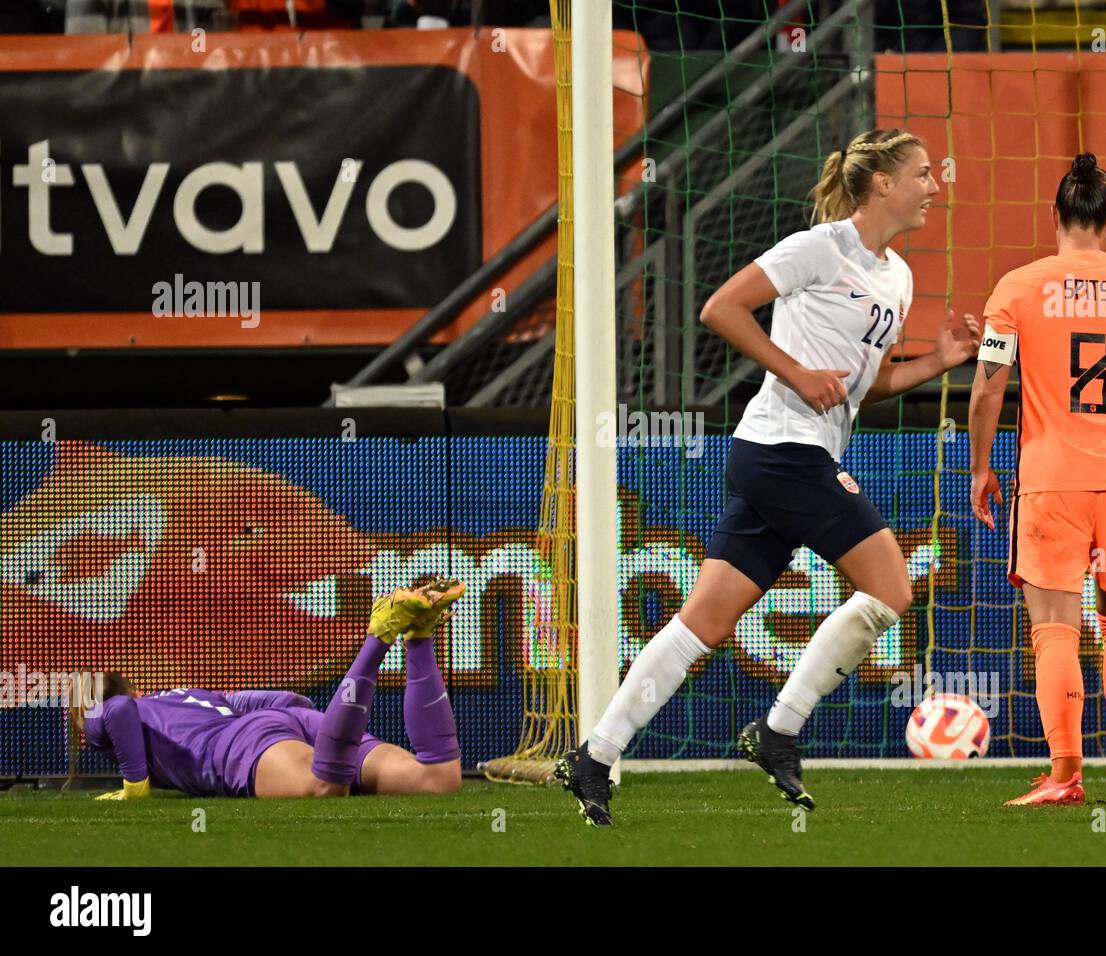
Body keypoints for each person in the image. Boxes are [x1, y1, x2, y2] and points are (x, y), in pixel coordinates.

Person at [558, 128, 981, 826]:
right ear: (881, 183)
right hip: (783, 451)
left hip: (786, 454)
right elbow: (720, 308)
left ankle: (595, 756)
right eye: (923, 174)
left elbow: (858, 388)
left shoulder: (897, 278)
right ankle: (780, 729)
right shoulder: (820, 246)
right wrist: (793, 371)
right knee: (891, 587)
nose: (935, 185)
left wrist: (936, 363)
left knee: (705, 622)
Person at [967, 152, 1106, 806]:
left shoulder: (1017, 288)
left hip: (1053, 475)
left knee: (1055, 625)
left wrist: (980, 466)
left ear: (1055, 216)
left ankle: (1065, 776)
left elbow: (986, 389)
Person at [72, 581, 463, 799]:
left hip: (243, 747)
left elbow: (118, 709)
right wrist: (309, 729)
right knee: (437, 781)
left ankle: (379, 635)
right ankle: (419, 633)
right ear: (140, 688)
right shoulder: (181, 694)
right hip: (287, 725)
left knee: (325, 788)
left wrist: (134, 788)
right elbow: (287, 700)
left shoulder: (102, 719)